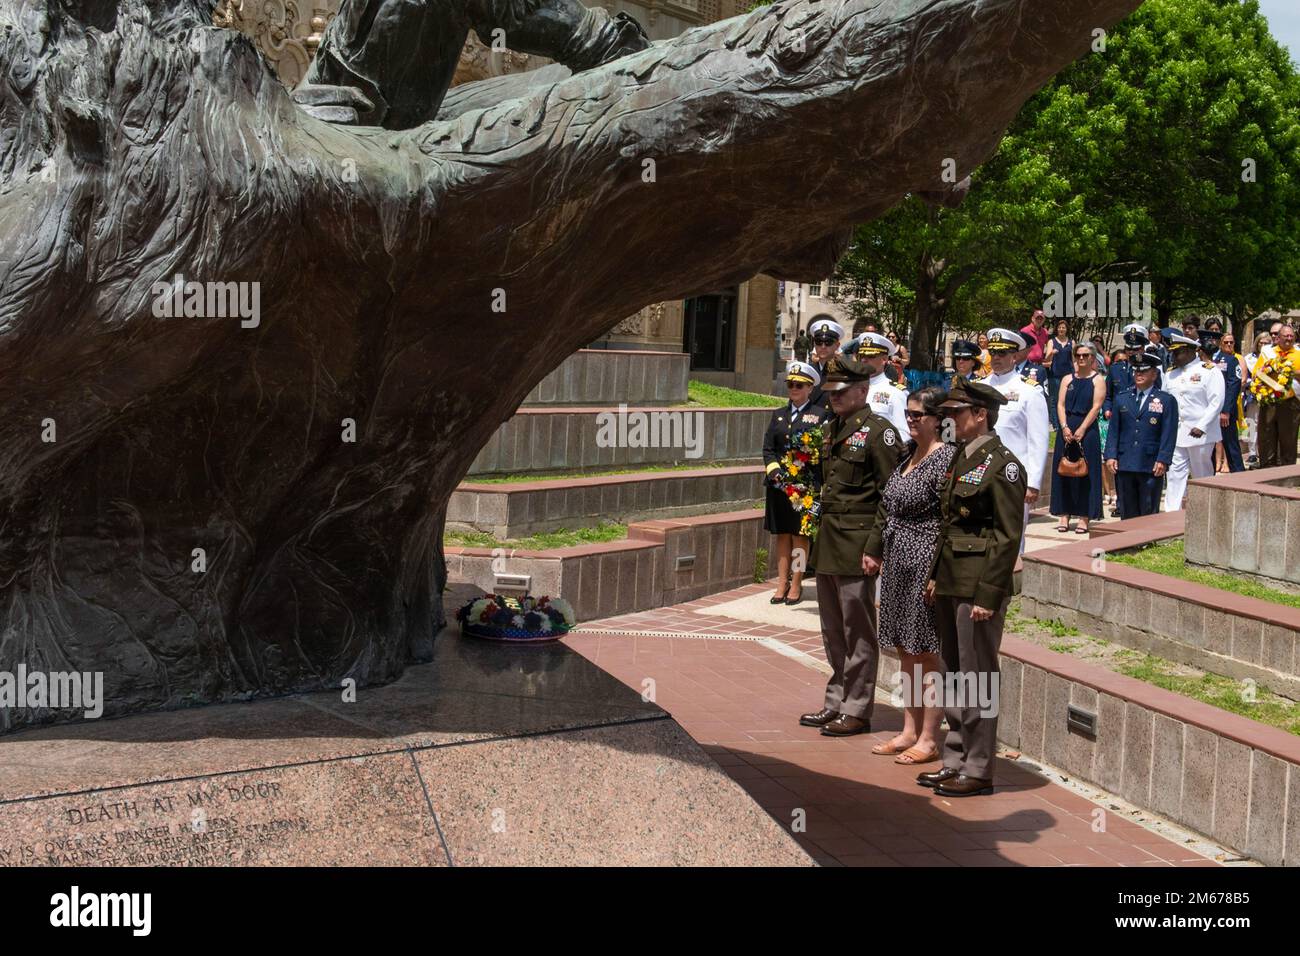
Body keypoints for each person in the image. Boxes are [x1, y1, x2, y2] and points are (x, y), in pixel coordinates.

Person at [918, 379, 1026, 798]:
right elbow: (949, 525)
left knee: (979, 676)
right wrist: (935, 575)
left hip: (978, 585)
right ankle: (956, 756)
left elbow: (1006, 535)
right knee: (953, 675)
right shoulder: (962, 458)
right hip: (951, 581)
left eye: (957, 413)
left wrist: (988, 595)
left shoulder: (1003, 464)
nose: (950, 420)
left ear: (980, 415)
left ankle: (979, 768)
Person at [799, 353, 902, 737]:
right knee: (832, 630)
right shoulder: (833, 428)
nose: (834, 398)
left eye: (840, 392)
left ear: (862, 390)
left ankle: (857, 708)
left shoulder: (879, 432)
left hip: (858, 543)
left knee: (857, 629)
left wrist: (875, 547)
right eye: (830, 392)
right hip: (830, 542)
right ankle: (837, 700)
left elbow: (888, 495)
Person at [872, 386, 955, 767]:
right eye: (907, 413)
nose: (910, 419)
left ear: (938, 419)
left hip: (924, 560)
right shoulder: (907, 454)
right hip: (897, 558)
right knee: (906, 651)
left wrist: (937, 572)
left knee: (926, 651)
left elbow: (948, 519)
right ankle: (908, 729)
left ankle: (929, 737)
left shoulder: (945, 460)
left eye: (918, 415)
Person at [763, 361, 833, 604]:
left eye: (799, 385)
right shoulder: (778, 415)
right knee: (782, 534)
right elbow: (769, 449)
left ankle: (796, 583)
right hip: (780, 487)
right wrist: (774, 473)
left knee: (800, 536)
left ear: (810, 388)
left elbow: (825, 452)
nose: (793, 388)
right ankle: (781, 583)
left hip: (805, 487)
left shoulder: (821, 416)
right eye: (791, 384)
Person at [983, 329, 1049, 549]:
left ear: (1015, 356)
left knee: (1010, 539)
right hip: (980, 473)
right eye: (994, 353)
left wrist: (1033, 482)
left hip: (1013, 476)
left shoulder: (1030, 391)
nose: (997, 358)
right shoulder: (979, 386)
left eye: (1003, 353)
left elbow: (1038, 440)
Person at [1104, 350, 1178, 518]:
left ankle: (1146, 542)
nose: (1139, 374)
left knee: (1148, 507)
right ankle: (1128, 542)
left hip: (1150, 462)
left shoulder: (1165, 400)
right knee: (1127, 508)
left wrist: (1163, 459)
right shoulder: (1122, 398)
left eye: (1144, 370)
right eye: (1136, 370)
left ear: (1154, 374)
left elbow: (1169, 432)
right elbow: (1114, 430)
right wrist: (1110, 455)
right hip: (1126, 461)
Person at [1162, 331, 1225, 511]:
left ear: (1192, 351)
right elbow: (1166, 400)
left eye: (1178, 352)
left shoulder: (1209, 371)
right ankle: (1171, 513)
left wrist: (1201, 426)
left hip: (1200, 433)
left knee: (1201, 474)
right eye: (1172, 353)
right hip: (1177, 432)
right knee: (1174, 474)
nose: (1174, 357)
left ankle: (1204, 511)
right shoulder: (1170, 374)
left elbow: (1216, 402)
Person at [1051, 342, 1106, 532]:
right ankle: (1064, 515)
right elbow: (1060, 404)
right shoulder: (1067, 379)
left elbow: (1096, 406)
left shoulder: (1098, 380)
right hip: (1067, 427)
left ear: (1092, 358)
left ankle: (1084, 516)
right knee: (1063, 470)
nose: (1081, 358)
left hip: (1087, 429)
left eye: (1085, 355)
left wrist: (1082, 429)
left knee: (1086, 473)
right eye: (1078, 355)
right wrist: (1064, 426)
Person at [1257, 324, 1300, 468]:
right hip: (1269, 401)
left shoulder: (1298, 353)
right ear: (1278, 338)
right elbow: (1258, 373)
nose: (1288, 338)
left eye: (1291, 336)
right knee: (1267, 439)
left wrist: (1291, 373)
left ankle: (1287, 474)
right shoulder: (1268, 352)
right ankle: (1266, 472)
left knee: (1289, 440)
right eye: (1285, 336)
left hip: (1290, 403)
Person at [852, 332, 911, 436]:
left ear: (884, 359)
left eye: (870, 356)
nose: (864, 360)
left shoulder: (896, 393)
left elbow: (903, 434)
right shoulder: (851, 388)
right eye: (861, 356)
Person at [1208, 329, 1244, 473]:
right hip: (1210, 411)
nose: (1229, 344)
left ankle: (1240, 477)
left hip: (1225, 412)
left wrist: (1226, 411)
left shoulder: (1231, 360)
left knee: (1231, 445)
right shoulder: (1210, 360)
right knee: (1208, 448)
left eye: (1231, 342)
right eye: (1226, 342)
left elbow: (1233, 386)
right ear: (1220, 343)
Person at [1242, 330, 1272, 467]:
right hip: (1252, 395)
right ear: (1257, 342)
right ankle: (1252, 452)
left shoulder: (1273, 357)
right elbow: (1245, 377)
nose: (1264, 344)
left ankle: (1264, 451)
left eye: (1267, 342)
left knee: (1266, 425)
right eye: (1261, 342)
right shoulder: (1248, 359)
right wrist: (1253, 384)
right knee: (1250, 423)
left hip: (1270, 395)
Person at [807, 318, 844, 409]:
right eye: (819, 342)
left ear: (837, 345)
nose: (823, 347)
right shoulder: (807, 371)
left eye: (828, 342)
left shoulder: (844, 373)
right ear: (814, 344)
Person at [1044, 319, 1074, 428]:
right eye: (1060, 327)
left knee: (1067, 398)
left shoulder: (1072, 342)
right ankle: (1056, 424)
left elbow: (1074, 360)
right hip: (1055, 375)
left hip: (1068, 375)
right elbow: (1046, 358)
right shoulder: (1052, 341)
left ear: (1067, 329)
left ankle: (1066, 422)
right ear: (1057, 329)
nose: (1061, 329)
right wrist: (1051, 352)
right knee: (1055, 399)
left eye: (1064, 328)